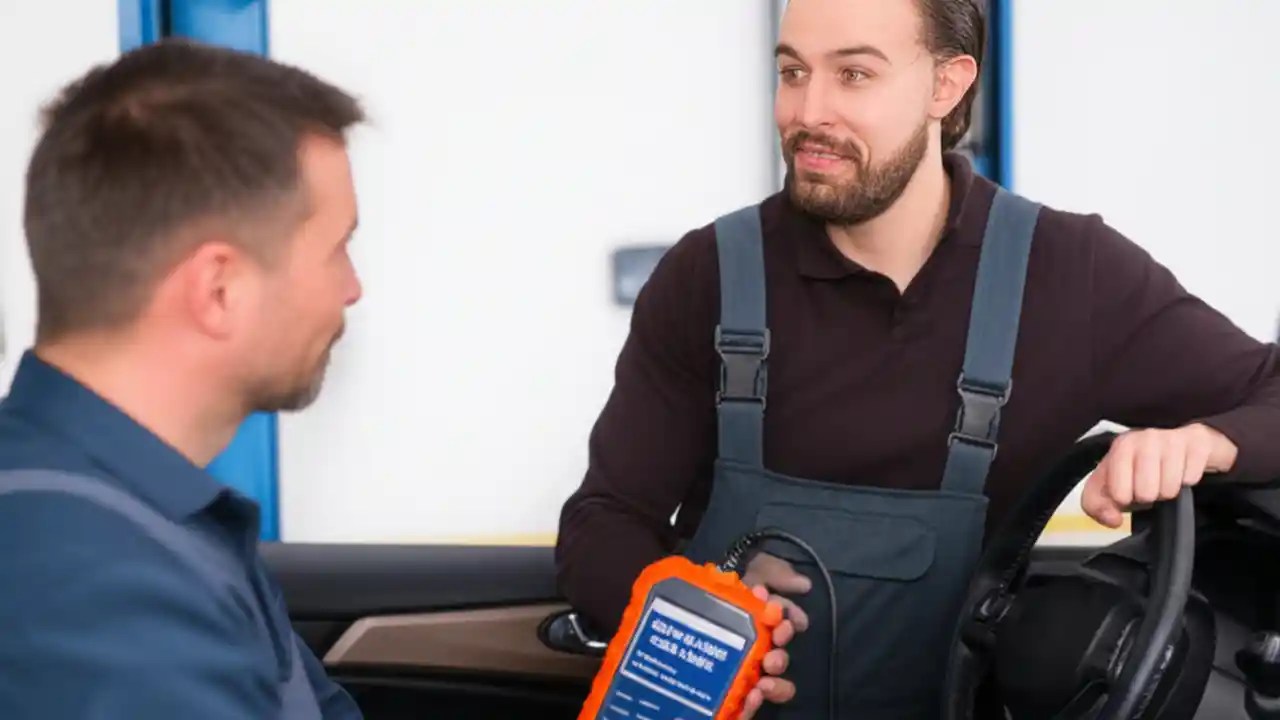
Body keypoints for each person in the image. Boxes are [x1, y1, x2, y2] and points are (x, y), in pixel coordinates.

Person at [555, 0, 1280, 717]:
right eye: (793, 72)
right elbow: (602, 522)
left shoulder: (1070, 276)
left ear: (947, 85)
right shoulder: (706, 276)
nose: (808, 112)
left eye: (854, 75)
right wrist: (697, 622)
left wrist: (1201, 443)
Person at [0, 39, 367, 718]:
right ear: (219, 289)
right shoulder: (98, 586)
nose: (353, 288)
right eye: (338, 248)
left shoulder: (153, 519)